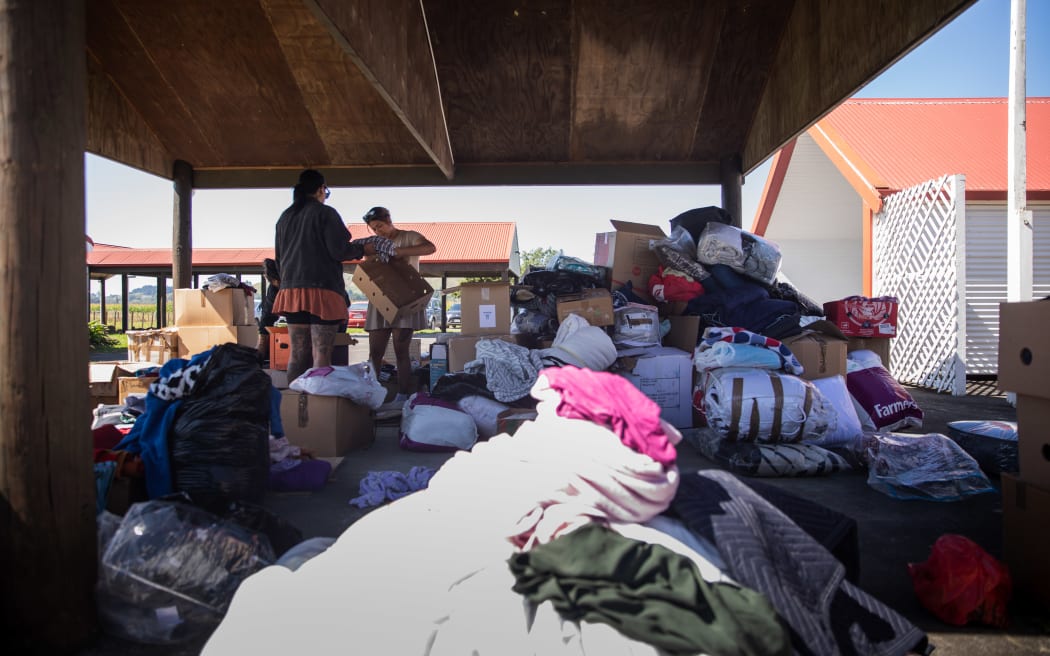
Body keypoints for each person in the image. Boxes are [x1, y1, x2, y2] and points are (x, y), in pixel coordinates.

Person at [272, 169, 369, 383]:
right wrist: (363, 249)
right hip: (322, 290)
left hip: (291, 291)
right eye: (326, 190)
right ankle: (318, 408)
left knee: (297, 354)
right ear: (320, 189)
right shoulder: (325, 213)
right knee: (321, 354)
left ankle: (296, 405)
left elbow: (278, 259)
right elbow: (339, 251)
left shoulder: (285, 217)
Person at [362, 206, 436, 417]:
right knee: (375, 352)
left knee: (401, 351)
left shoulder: (409, 237)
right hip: (380, 299)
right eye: (374, 229)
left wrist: (396, 252)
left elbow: (430, 248)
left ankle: (403, 396)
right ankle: (371, 394)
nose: (378, 232)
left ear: (388, 220)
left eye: (380, 226)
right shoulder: (374, 243)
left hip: (407, 298)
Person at [255, 257, 281, 365]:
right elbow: (267, 315)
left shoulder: (290, 283)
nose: (264, 275)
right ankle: (259, 357)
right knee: (266, 320)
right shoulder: (273, 289)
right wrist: (262, 338)